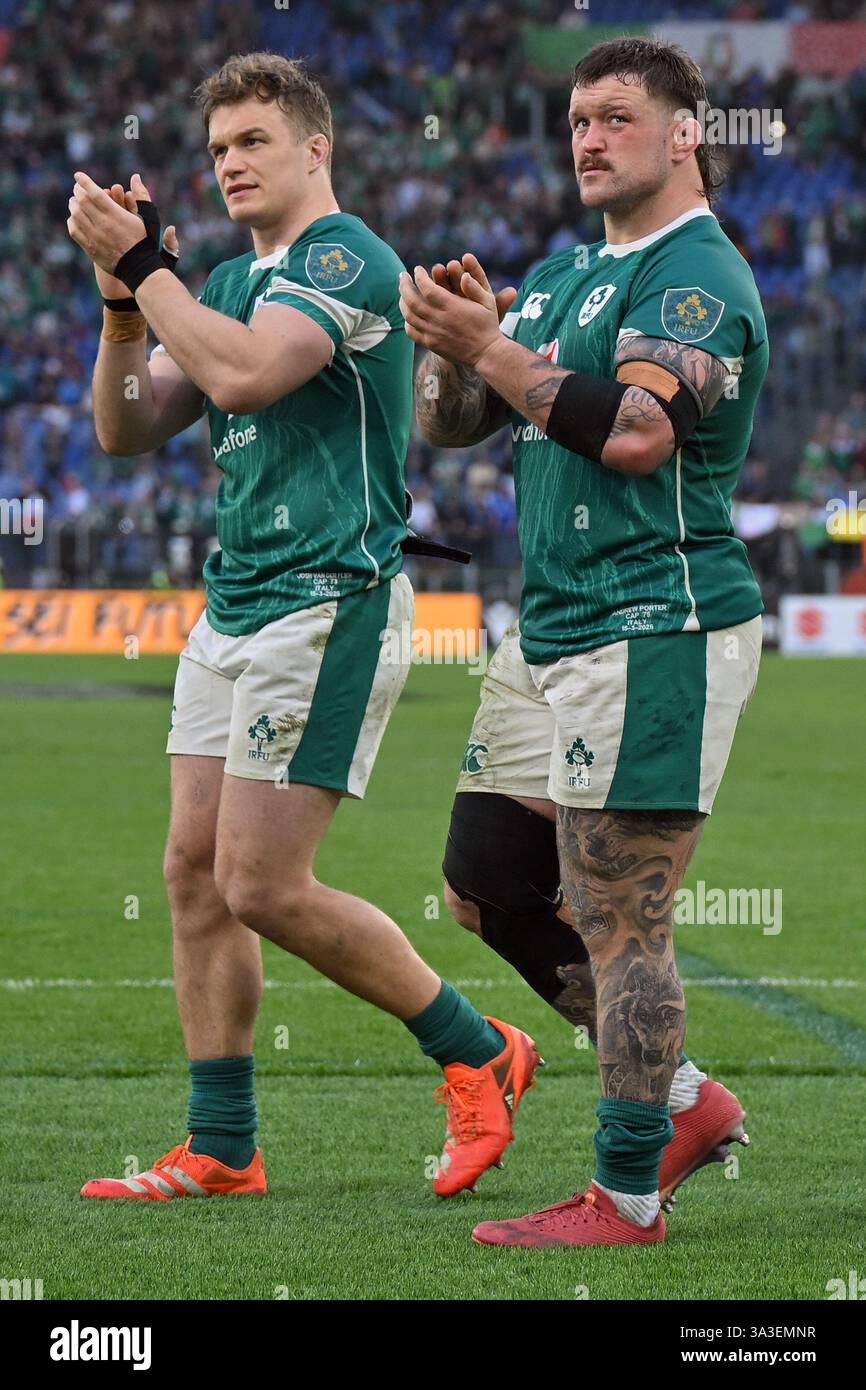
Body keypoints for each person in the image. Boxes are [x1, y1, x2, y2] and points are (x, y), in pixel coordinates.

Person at [67, 51, 540, 1203]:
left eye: (253, 142)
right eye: (218, 146)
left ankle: (478, 1048)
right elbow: (127, 429)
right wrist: (123, 305)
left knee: (262, 882)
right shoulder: (223, 283)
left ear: (314, 147)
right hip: (235, 603)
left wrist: (145, 264)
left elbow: (242, 379)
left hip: (326, 601)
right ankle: (223, 1143)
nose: (230, 162)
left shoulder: (347, 258)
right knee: (191, 874)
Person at [401, 36, 764, 1246]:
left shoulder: (696, 277)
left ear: (683, 136)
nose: (587, 138)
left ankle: (624, 1193)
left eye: (615, 116)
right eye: (576, 120)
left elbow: (635, 435)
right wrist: (449, 345)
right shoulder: (559, 275)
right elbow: (459, 423)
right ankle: (678, 1099)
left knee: (618, 913)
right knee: (487, 882)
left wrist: (493, 351)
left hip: (654, 621)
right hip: (547, 626)